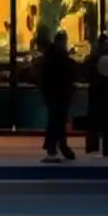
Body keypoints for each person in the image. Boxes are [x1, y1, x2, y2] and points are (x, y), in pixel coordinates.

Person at [39, 30, 77, 163]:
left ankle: (56, 146)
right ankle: (56, 147)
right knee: (58, 120)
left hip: (53, 93)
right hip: (60, 93)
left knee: (56, 120)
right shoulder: (60, 57)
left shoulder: (50, 57)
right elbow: (71, 71)